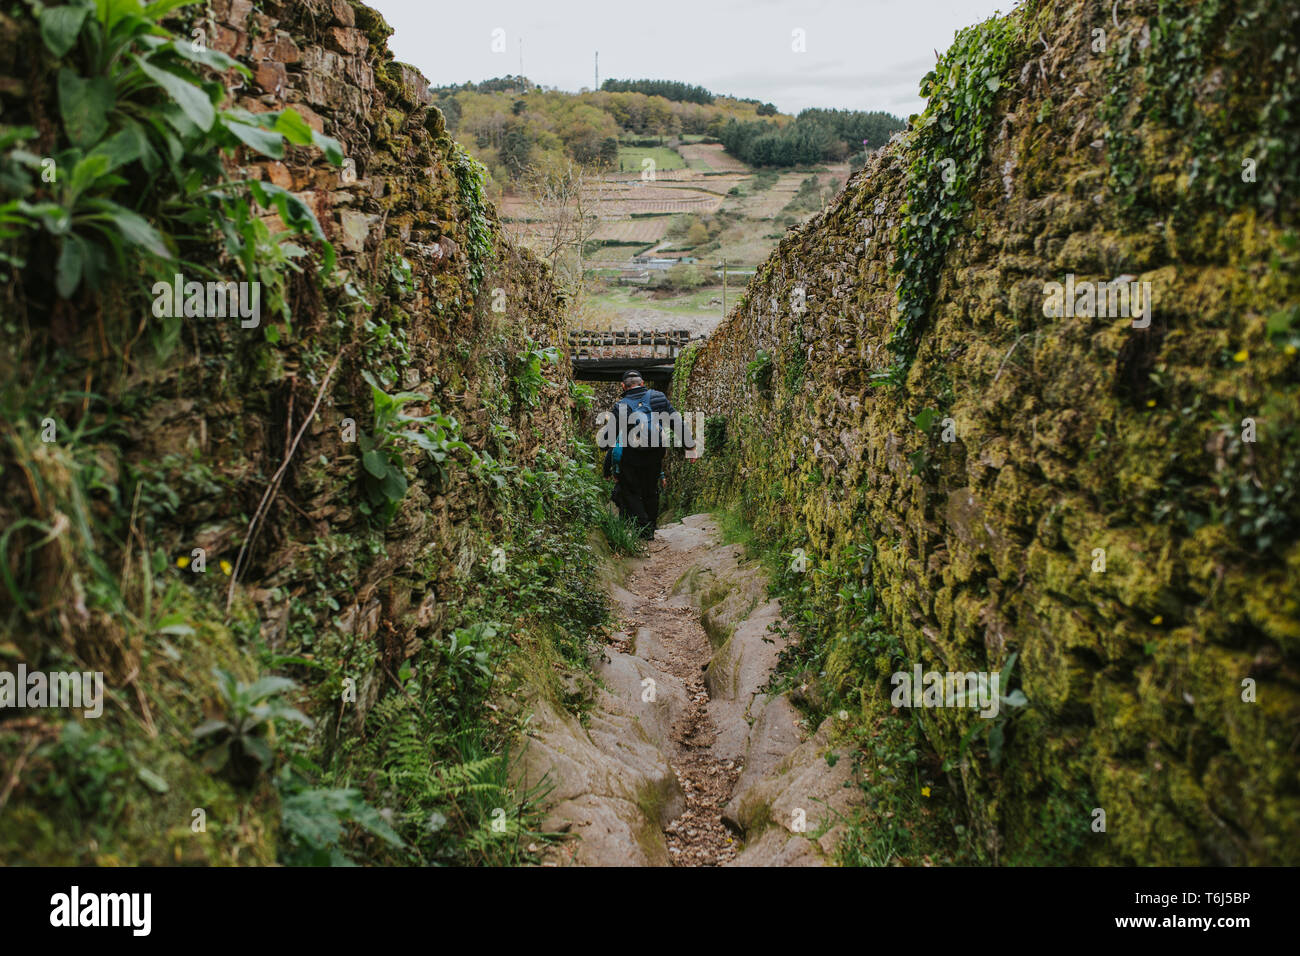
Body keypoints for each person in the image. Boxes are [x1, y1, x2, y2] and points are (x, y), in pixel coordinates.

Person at [602, 369, 675, 540]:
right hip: (655, 452)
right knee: (651, 490)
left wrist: (604, 446)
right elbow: (675, 420)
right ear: (642, 383)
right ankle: (650, 525)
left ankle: (644, 529)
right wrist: (690, 445)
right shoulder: (658, 397)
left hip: (632, 456)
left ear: (623, 386)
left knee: (631, 492)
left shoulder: (620, 406)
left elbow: (609, 437)